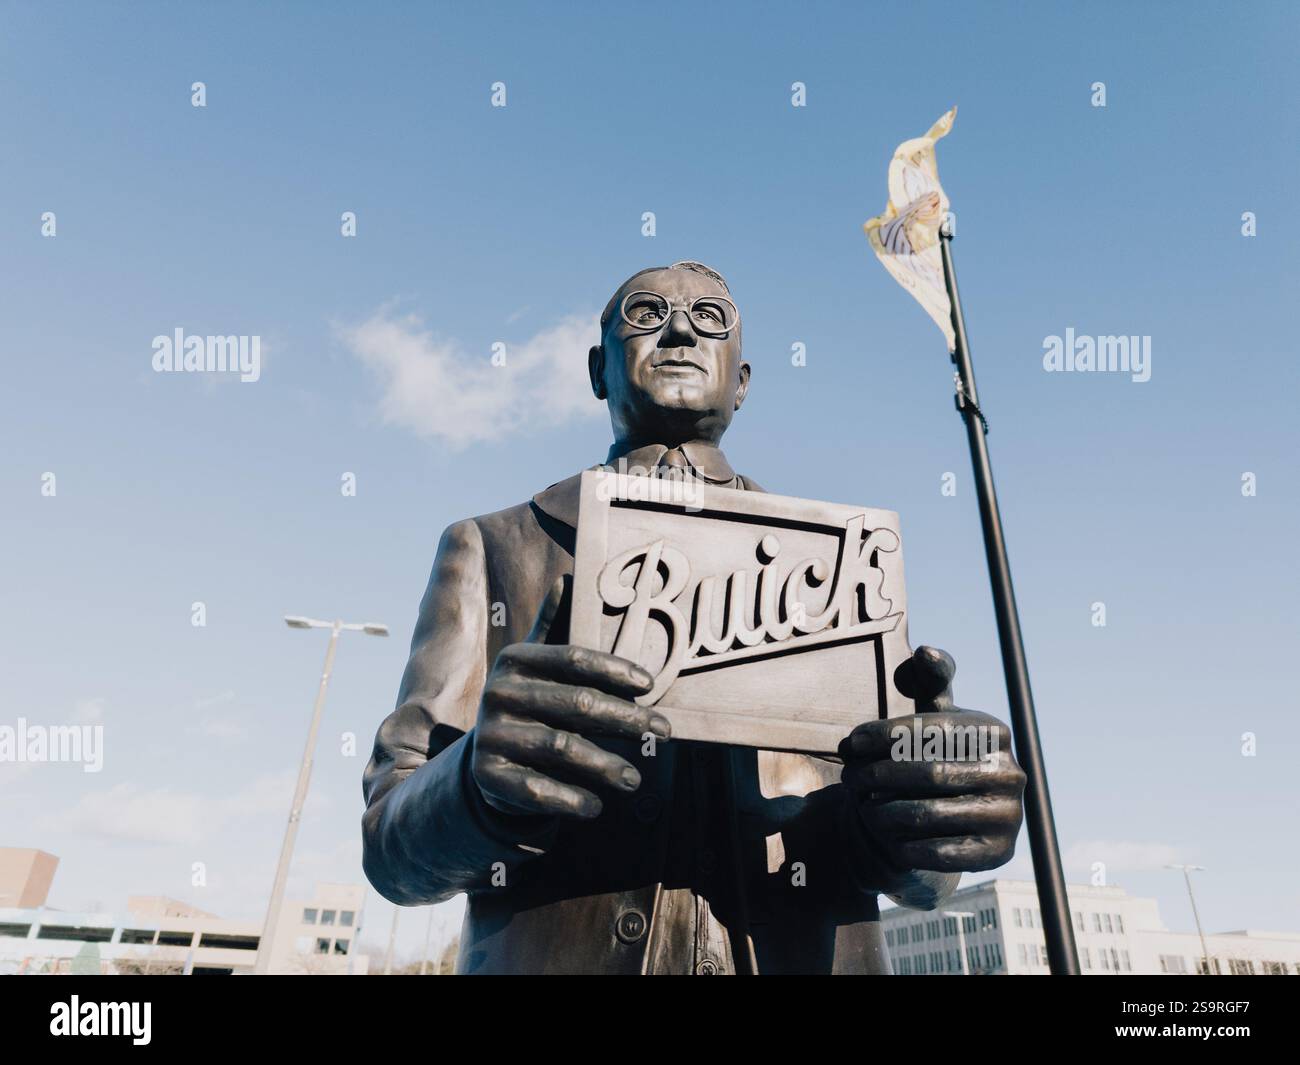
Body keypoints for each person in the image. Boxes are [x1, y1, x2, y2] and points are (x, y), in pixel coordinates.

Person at [362, 260, 1026, 974]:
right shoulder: (492, 546)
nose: (679, 328)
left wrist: (933, 822)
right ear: (598, 369)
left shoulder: (839, 567)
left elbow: (906, 865)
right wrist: (473, 784)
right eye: (646, 313)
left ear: (742, 379)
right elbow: (390, 850)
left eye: (711, 319)